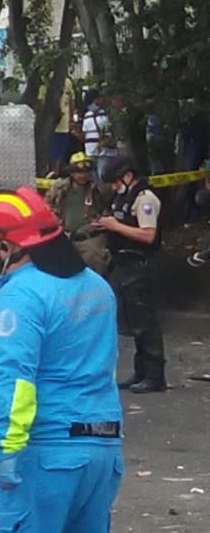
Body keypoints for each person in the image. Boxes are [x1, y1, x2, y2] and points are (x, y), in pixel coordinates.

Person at [0, 187, 177, 533]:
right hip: (101, 448)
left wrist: (7, 452)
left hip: (45, 452)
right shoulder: (95, 287)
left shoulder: (19, 299)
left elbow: (15, 384)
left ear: (9, 245)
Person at [95, 160, 167, 393]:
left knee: (145, 321)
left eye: (116, 182)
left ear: (128, 176)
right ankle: (141, 371)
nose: (114, 188)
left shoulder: (144, 198)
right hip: (124, 264)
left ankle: (155, 376)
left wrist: (115, 226)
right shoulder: (124, 197)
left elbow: (148, 235)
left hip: (140, 265)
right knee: (134, 321)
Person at [45, 152, 110, 274]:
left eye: (86, 172)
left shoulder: (99, 189)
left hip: (91, 241)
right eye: (78, 172)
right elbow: (47, 206)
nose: (82, 176)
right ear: (71, 172)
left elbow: (107, 211)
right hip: (66, 240)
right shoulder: (59, 188)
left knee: (96, 275)